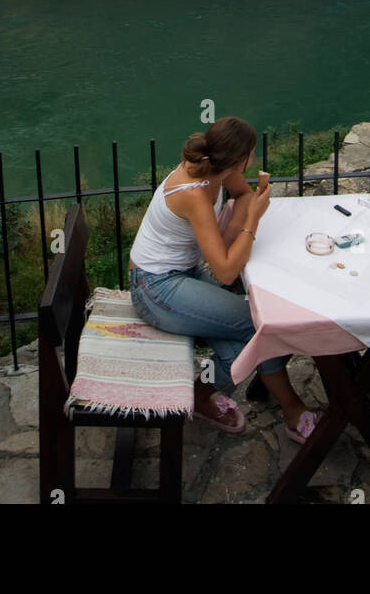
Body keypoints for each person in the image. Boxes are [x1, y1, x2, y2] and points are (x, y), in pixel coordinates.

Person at [129, 116, 318, 441]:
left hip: (182, 274)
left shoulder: (215, 168)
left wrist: (237, 225)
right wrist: (252, 222)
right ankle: (209, 396)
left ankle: (268, 401)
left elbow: (242, 197)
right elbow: (226, 271)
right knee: (255, 325)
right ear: (242, 159)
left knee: (251, 329)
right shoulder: (194, 194)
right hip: (154, 287)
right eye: (251, 155)